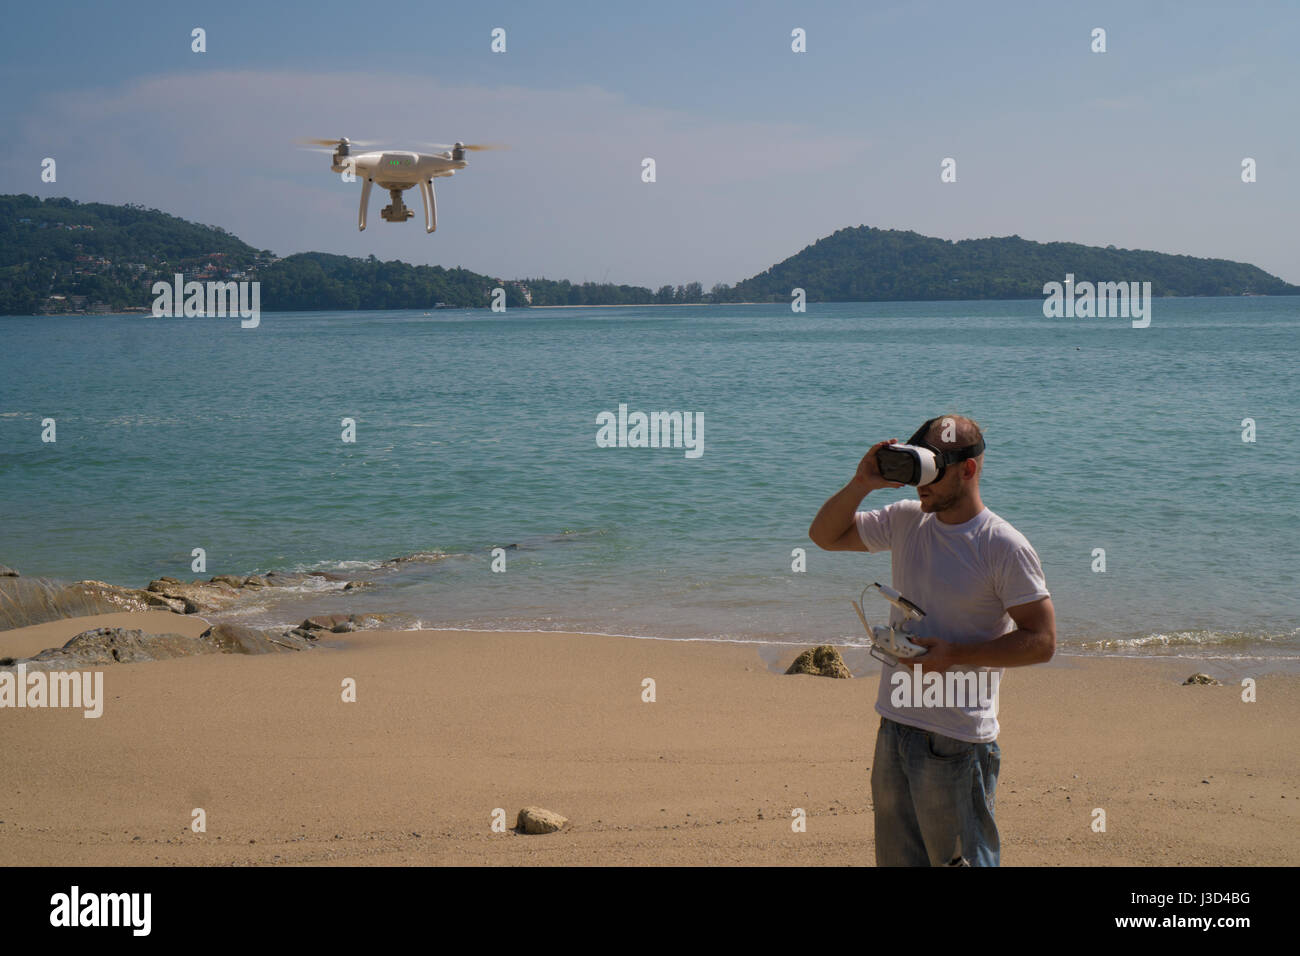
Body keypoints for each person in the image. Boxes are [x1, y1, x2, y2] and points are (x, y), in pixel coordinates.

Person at [808, 414, 1055, 866]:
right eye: (917, 466)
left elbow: (1041, 641)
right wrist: (862, 482)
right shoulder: (906, 520)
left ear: (968, 470)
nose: (920, 483)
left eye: (932, 469)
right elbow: (823, 536)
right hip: (896, 723)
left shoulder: (1002, 545)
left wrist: (955, 655)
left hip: (957, 738)